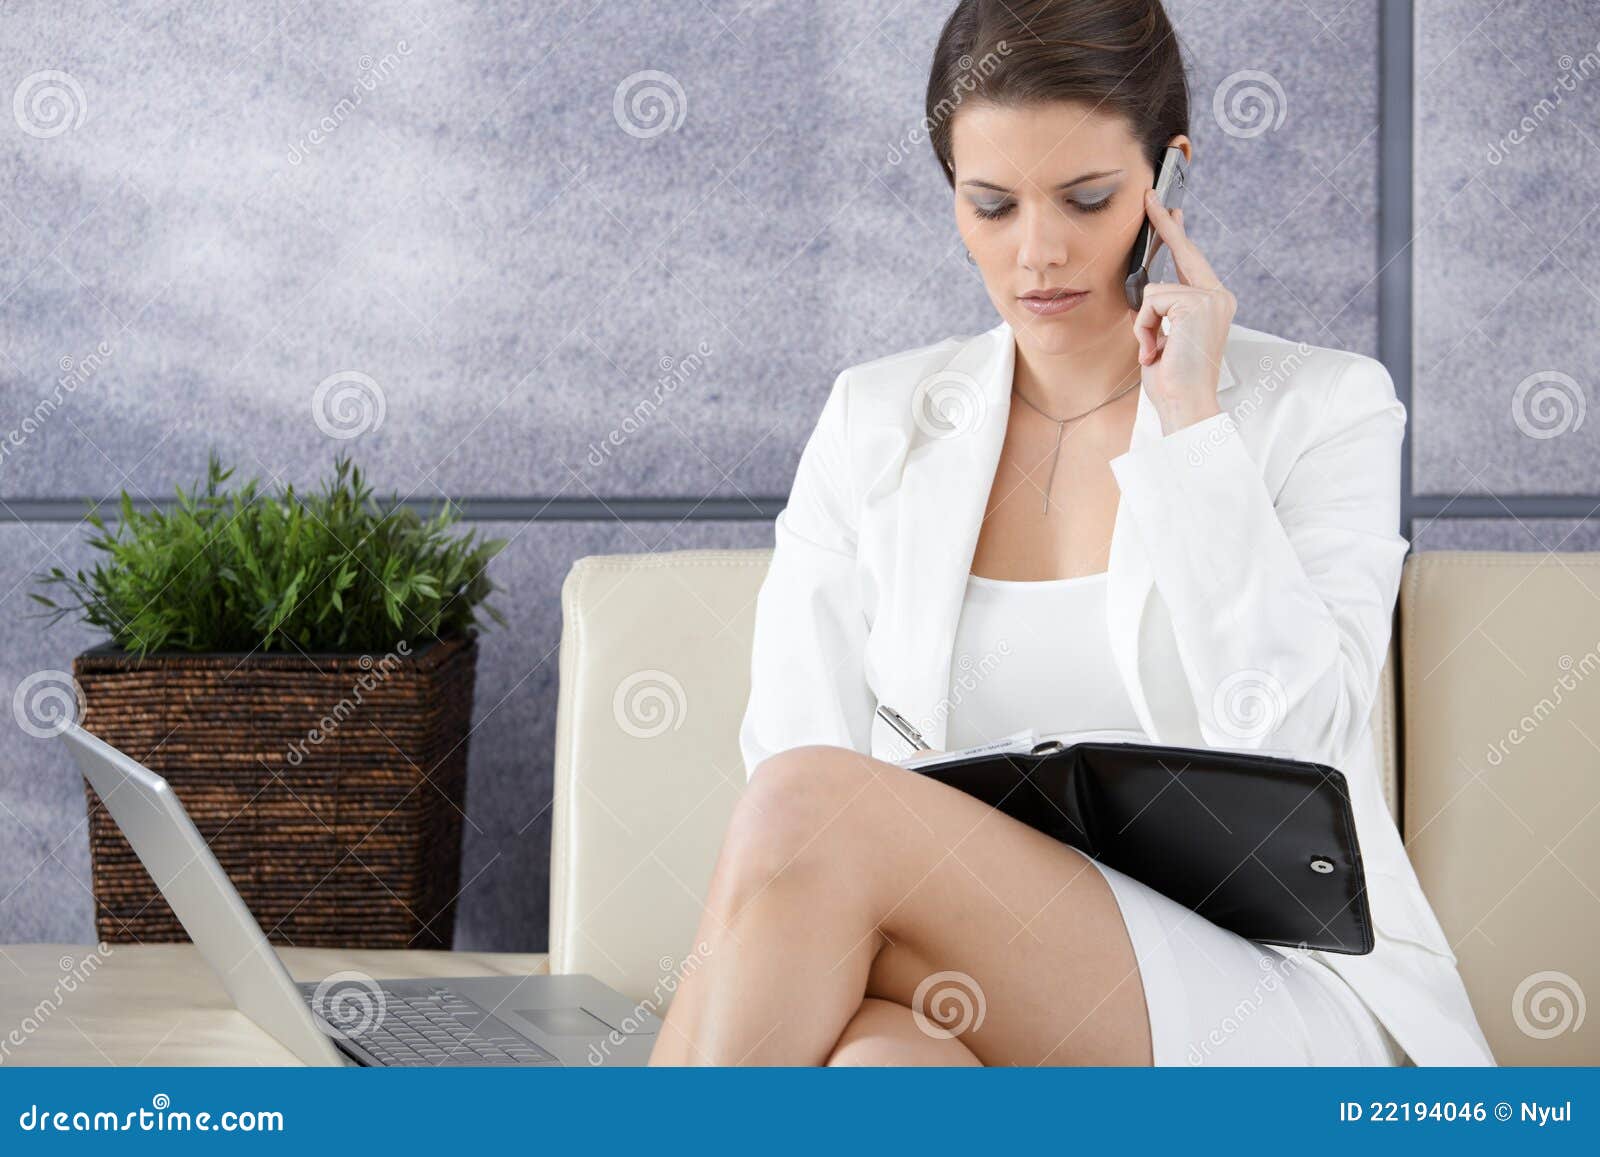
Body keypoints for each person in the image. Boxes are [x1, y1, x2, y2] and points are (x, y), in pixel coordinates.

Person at [647, 0, 1495, 1067]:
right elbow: (790, 769)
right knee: (878, 1067)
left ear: (1165, 178)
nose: (1038, 253)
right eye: (990, 205)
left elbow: (1295, 742)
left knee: (814, 808)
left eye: (1086, 199)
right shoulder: (876, 418)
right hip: (999, 987)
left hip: (1281, 995)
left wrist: (1191, 428)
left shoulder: (1323, 408)